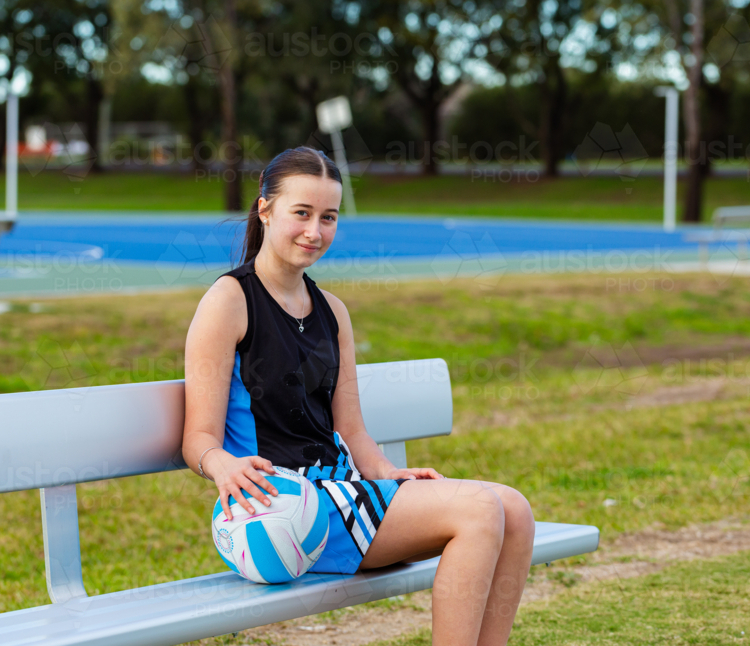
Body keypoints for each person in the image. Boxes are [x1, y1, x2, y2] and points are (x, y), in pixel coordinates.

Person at [182, 146, 535, 645]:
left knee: (514, 509)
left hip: (343, 492)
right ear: (265, 209)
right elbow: (197, 437)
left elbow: (351, 429)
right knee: (478, 508)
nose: (314, 231)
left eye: (328, 217)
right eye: (300, 213)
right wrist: (220, 464)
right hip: (284, 510)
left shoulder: (332, 310)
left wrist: (389, 473)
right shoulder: (229, 302)